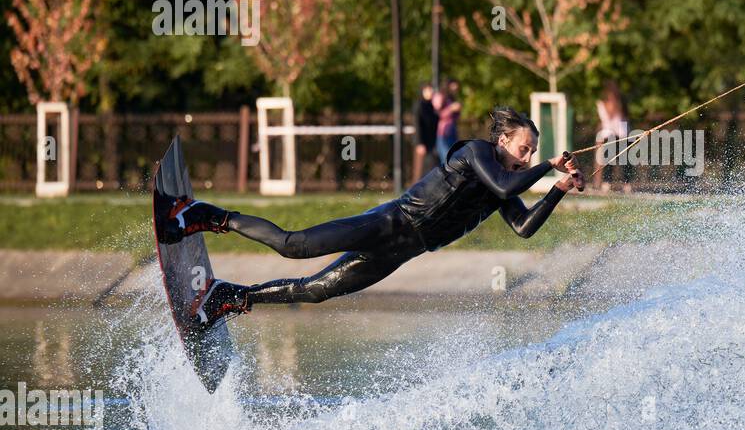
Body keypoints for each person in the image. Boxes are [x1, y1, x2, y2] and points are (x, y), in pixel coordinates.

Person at [155, 107, 584, 329]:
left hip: (401, 251)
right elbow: (510, 186)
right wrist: (547, 166)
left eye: (530, 153)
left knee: (317, 291)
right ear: (503, 139)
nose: (524, 158)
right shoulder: (477, 153)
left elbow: (524, 226)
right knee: (293, 246)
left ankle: (227, 298)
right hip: (387, 223)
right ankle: (204, 215)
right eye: (522, 149)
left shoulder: (501, 185)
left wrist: (559, 191)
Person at [592, 79, 631, 193]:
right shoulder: (602, 104)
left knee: (625, 160)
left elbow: (625, 118)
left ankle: (626, 183)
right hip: (608, 134)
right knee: (608, 160)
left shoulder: (621, 103)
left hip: (622, 134)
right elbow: (606, 118)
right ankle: (606, 183)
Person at [431, 79, 462, 166]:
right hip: (443, 133)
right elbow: (438, 115)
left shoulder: (451, 99)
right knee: (446, 160)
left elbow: (455, 117)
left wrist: (457, 110)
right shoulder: (440, 96)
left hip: (452, 132)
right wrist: (451, 109)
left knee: (453, 159)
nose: (455, 90)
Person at [412, 83, 439, 178]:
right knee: (419, 169)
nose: (430, 92)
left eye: (431, 90)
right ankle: (415, 191)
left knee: (430, 167)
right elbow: (417, 125)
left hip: (430, 141)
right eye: (428, 90)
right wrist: (419, 143)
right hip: (422, 142)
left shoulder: (431, 106)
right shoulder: (419, 105)